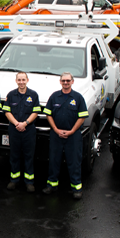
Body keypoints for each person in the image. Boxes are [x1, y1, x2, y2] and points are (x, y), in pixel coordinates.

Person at [42, 72, 88, 200]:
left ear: (72, 81)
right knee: (54, 160)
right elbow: (48, 114)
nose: (66, 83)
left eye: (68, 80)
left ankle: (76, 188)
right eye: (63, 80)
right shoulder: (54, 97)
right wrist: (56, 129)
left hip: (73, 135)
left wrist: (72, 131)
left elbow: (82, 116)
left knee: (74, 162)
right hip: (56, 134)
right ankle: (51, 185)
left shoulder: (78, 98)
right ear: (60, 82)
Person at [3, 72, 40, 192]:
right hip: (14, 129)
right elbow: (7, 111)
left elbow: (35, 112)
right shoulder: (11, 95)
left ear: (27, 80)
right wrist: (16, 123)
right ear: (16, 81)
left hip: (28, 129)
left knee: (29, 155)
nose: (21, 82)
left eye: (23, 80)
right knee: (14, 155)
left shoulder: (33, 95)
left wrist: (25, 123)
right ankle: (14, 180)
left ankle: (29, 182)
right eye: (19, 80)